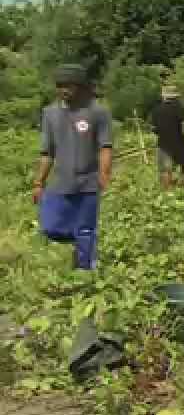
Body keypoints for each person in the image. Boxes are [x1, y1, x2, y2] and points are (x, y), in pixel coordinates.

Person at [33, 64, 113, 271]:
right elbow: (47, 152)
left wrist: (104, 174)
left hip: (88, 182)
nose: (63, 90)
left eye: (68, 86)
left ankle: (84, 270)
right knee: (50, 227)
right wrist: (39, 182)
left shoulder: (97, 112)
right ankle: (78, 239)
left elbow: (105, 146)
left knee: (86, 230)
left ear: (81, 86)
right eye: (59, 86)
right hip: (59, 183)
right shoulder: (49, 113)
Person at [151, 85, 184, 189]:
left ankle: (167, 190)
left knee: (166, 169)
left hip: (163, 144)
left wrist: (161, 133)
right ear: (175, 96)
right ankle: (181, 182)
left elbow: (154, 129)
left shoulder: (156, 109)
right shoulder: (178, 106)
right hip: (178, 142)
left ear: (164, 96)